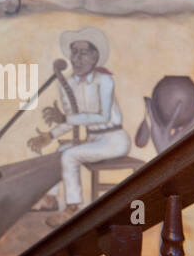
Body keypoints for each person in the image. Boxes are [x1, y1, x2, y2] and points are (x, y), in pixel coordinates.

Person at [28, 28, 130, 227]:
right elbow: (71, 119)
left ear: (95, 57)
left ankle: (72, 208)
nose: (76, 58)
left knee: (69, 155)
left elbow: (102, 116)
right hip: (93, 139)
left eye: (83, 53)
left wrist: (64, 117)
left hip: (114, 140)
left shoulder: (104, 80)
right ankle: (51, 199)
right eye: (74, 52)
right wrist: (50, 135)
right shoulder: (68, 83)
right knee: (60, 150)